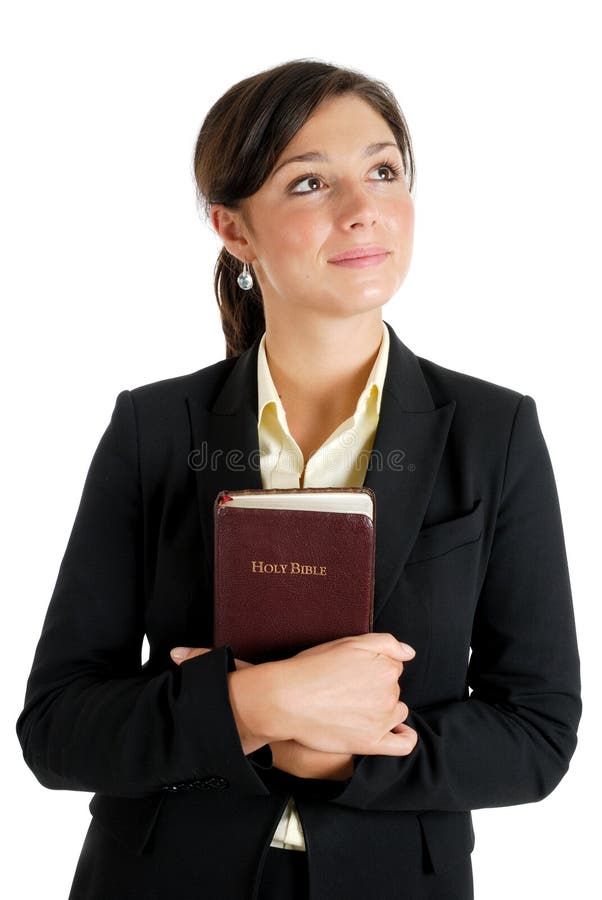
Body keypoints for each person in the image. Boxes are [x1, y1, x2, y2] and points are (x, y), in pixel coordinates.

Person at [15, 58, 581, 900]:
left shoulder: (494, 431)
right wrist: (255, 706)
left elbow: (537, 732)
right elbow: (58, 729)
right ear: (234, 230)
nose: (363, 209)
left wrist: (334, 754)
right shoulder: (154, 429)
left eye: (383, 171)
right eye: (311, 182)